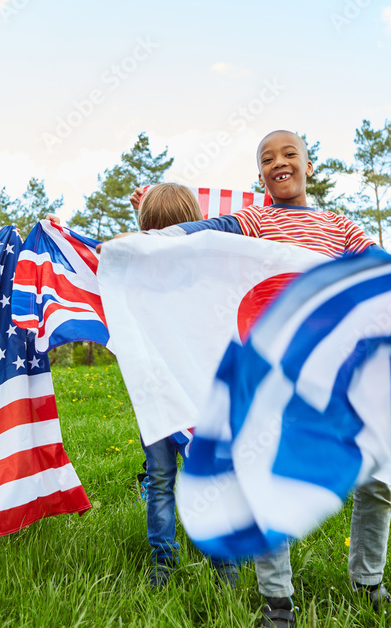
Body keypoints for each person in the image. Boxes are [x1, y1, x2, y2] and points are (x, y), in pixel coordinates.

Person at [130, 130, 391, 626]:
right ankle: (277, 601)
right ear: (260, 175)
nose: (280, 162)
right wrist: (152, 237)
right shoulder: (257, 221)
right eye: (268, 158)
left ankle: (368, 580)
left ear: (309, 165)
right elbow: (206, 231)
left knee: (375, 477)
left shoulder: (341, 227)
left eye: (289, 153)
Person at [131, 183, 241, 591]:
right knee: (159, 480)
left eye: (172, 231)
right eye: (154, 232)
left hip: (201, 400)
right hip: (155, 399)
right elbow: (103, 262)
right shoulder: (137, 276)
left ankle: (224, 568)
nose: (163, 242)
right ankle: (164, 562)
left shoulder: (209, 274)